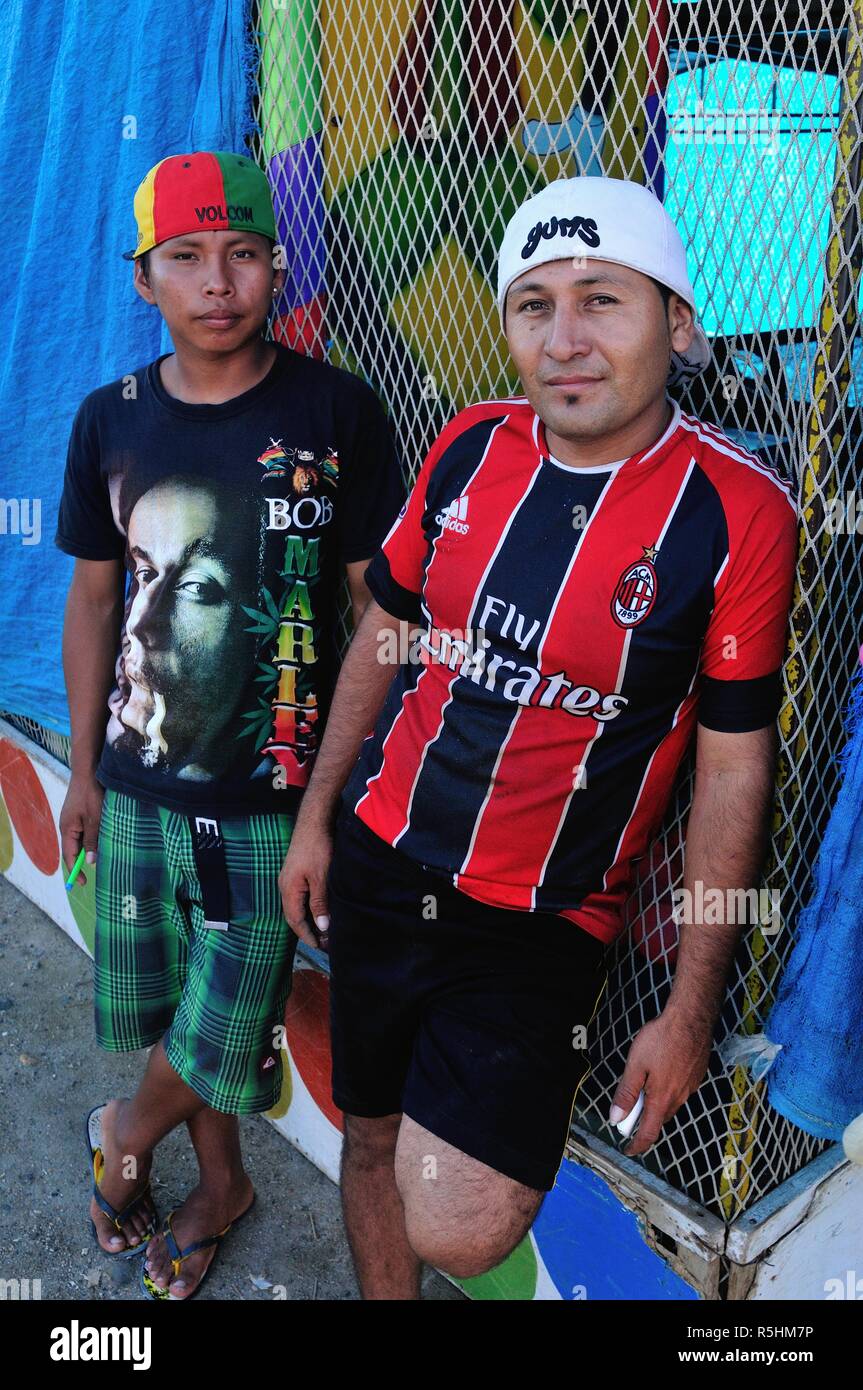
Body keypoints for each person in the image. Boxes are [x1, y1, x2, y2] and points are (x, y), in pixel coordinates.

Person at [280, 176, 798, 1297]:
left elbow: (730, 762)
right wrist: (316, 818)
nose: (563, 340)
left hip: (542, 915)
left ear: (677, 320)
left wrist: (687, 1008)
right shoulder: (468, 447)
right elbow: (387, 632)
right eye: (532, 304)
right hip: (382, 854)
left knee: (461, 1224)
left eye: (600, 300)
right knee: (367, 1131)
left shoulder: (737, 513)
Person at [54, 150, 405, 1299]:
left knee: (221, 1023)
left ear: (275, 267)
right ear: (142, 278)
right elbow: (96, 596)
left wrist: (341, 793)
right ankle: (222, 1187)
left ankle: (121, 1131)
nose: (218, 282)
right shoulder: (110, 420)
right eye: (188, 258)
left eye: (243, 254)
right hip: (140, 781)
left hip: (273, 808)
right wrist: (84, 766)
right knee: (178, 1017)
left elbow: (377, 610)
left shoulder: (337, 410)